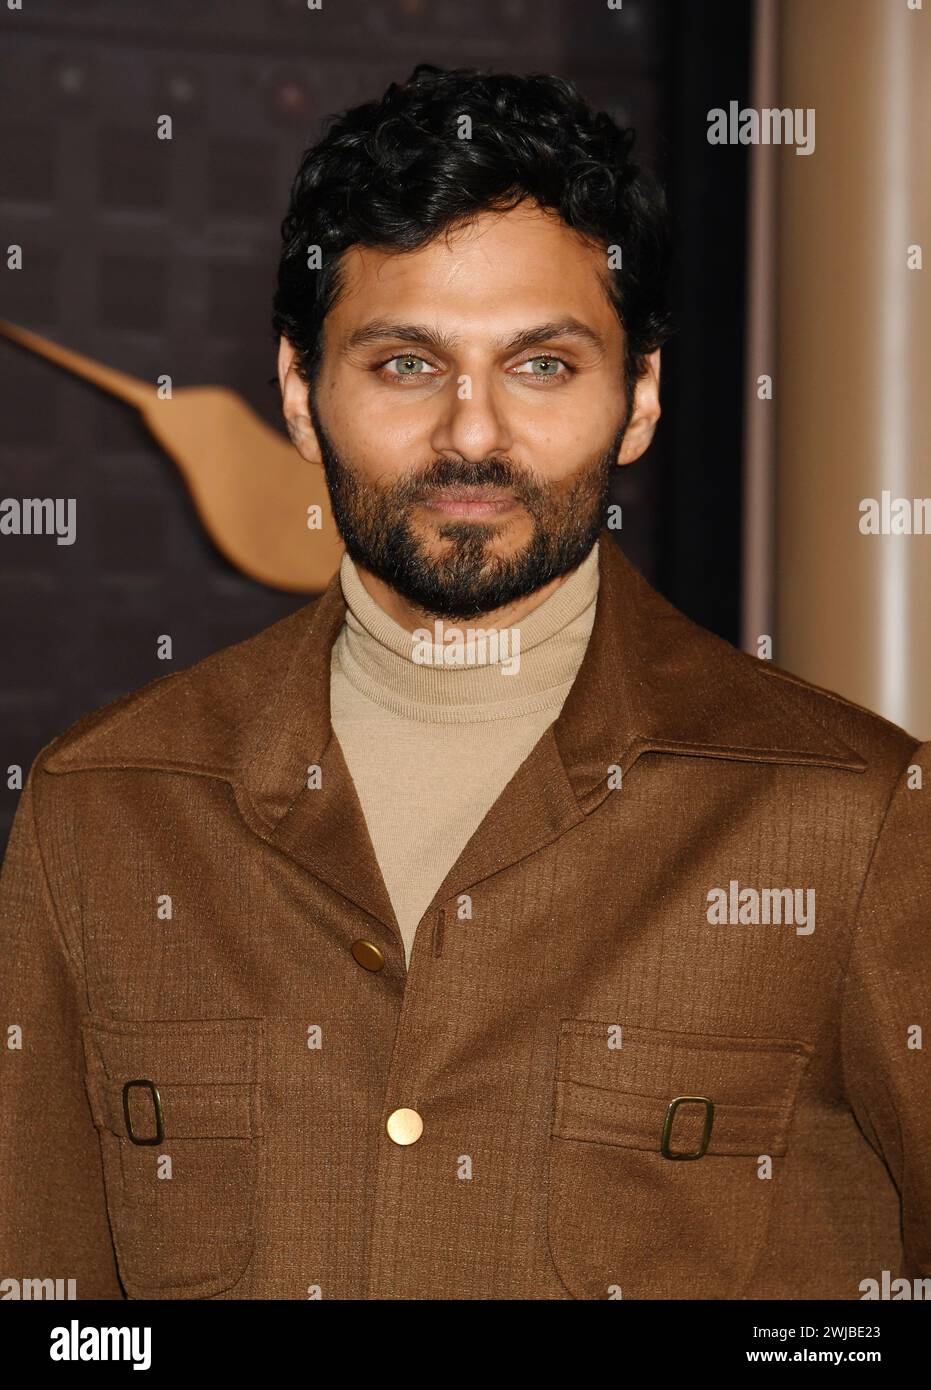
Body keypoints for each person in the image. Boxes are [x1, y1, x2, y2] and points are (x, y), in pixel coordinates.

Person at [1, 64, 928, 1302]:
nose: (474, 435)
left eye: (541, 365)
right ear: (298, 392)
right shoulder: (102, 805)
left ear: (639, 397)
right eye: (405, 365)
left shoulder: (855, 815)